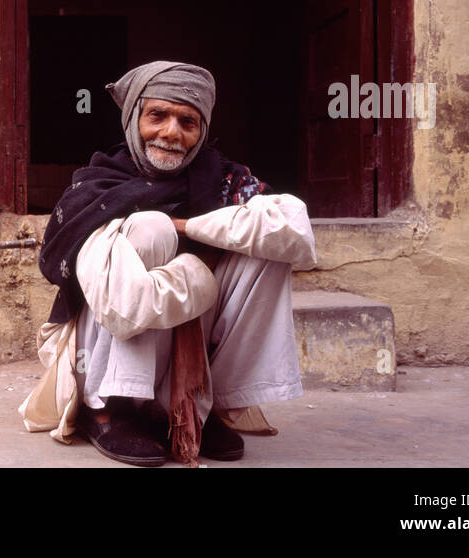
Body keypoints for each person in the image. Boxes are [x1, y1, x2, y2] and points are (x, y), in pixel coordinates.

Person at [18, 61, 317, 467]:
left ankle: (200, 406)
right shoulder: (98, 186)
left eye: (187, 121)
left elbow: (294, 230)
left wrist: (188, 226)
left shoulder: (225, 180)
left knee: (266, 248)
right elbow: (122, 307)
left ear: (202, 131)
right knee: (149, 228)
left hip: (182, 321)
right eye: (157, 116)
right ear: (133, 120)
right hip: (103, 347)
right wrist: (191, 273)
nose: (172, 133)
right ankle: (111, 409)